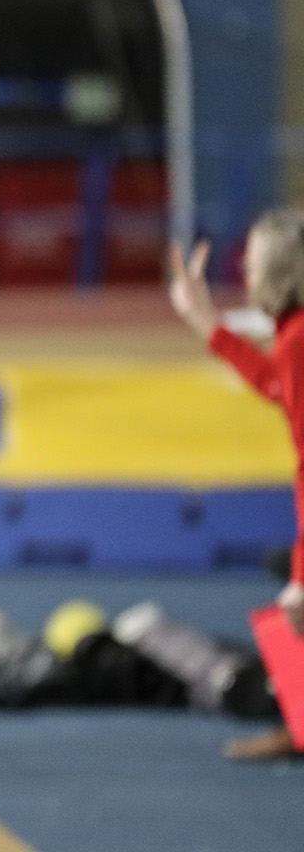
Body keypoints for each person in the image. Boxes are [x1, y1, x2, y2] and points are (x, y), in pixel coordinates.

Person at [168, 210, 304, 760]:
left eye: (251, 265)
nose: (243, 273)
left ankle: (298, 728)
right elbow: (276, 385)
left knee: (292, 613)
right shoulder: (293, 336)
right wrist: (207, 323)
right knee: (291, 613)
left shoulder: (297, 339)